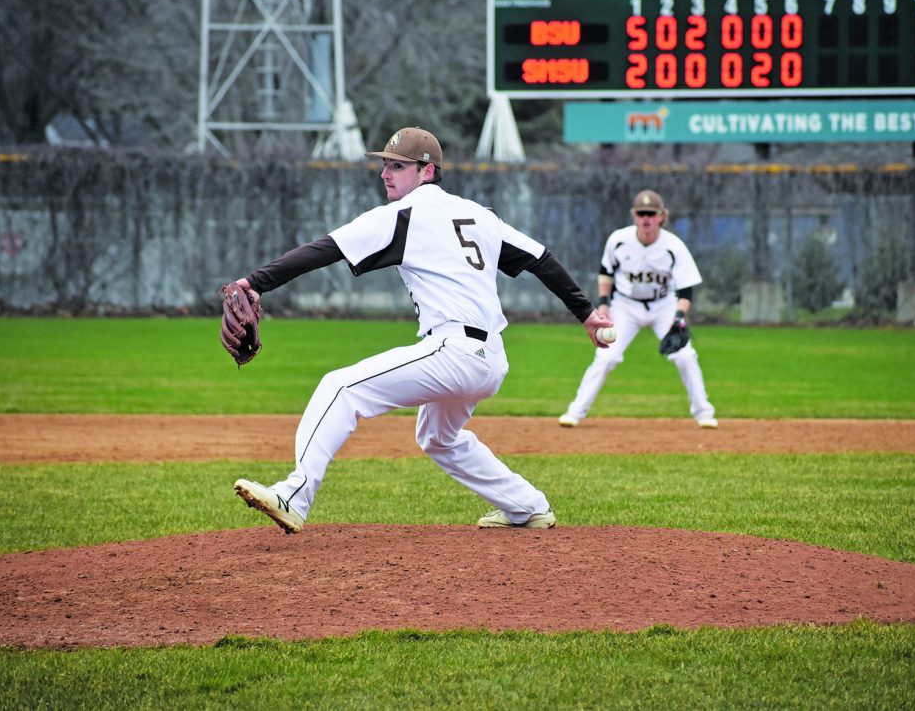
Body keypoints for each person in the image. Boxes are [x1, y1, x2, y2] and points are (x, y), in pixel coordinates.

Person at [228, 127, 613, 533]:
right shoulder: (480, 215)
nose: (385, 174)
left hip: (454, 351)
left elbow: (323, 250)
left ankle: (294, 494)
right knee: (438, 437)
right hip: (490, 358)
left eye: (397, 166)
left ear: (427, 171)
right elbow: (543, 260)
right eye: (385, 165)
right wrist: (586, 313)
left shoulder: (404, 217)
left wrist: (254, 282)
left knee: (340, 388)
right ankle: (527, 506)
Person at [558, 189, 717, 429]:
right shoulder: (619, 240)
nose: (646, 219)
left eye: (651, 214)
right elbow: (606, 272)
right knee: (606, 356)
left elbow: (686, 292)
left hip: (664, 305)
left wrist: (679, 318)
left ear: (662, 216)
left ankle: (704, 413)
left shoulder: (674, 246)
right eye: (641, 213)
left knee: (685, 355)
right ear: (634, 215)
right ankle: (575, 412)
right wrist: (604, 304)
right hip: (625, 305)